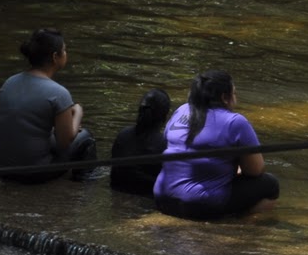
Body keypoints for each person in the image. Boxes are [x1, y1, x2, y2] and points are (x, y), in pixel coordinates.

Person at [154, 70, 279, 220]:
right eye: (234, 93)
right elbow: (255, 171)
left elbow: (168, 147)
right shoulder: (235, 122)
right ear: (224, 98)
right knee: (270, 185)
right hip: (198, 204)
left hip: (162, 198)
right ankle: (242, 224)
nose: (235, 98)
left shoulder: (181, 110)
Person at [0, 28, 97, 183]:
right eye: (64, 50)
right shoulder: (58, 92)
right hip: (35, 174)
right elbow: (64, 142)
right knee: (86, 137)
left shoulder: (10, 82)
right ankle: (83, 185)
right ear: (55, 57)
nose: (66, 53)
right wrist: (78, 113)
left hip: (2, 169)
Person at [109, 88, 171, 196]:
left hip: (116, 193)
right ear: (164, 117)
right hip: (146, 200)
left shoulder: (122, 135)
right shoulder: (163, 145)